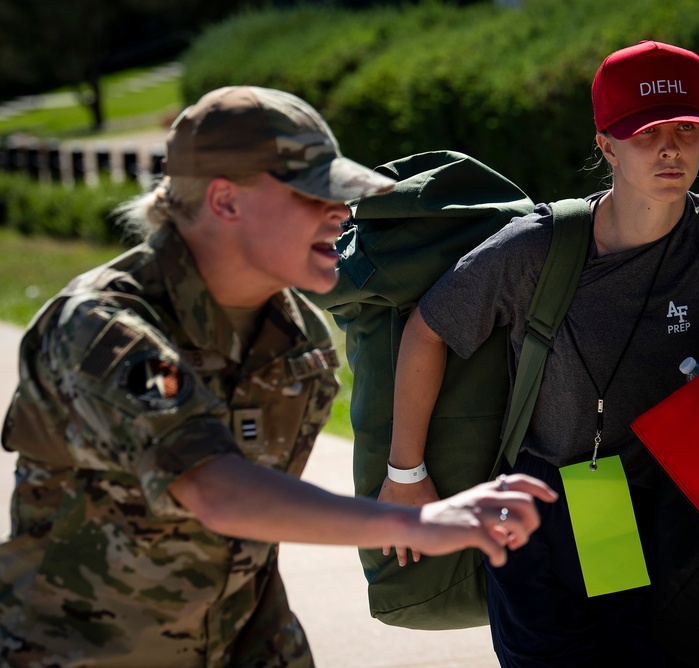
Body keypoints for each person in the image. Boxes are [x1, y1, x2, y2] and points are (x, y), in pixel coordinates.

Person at [0, 85, 557, 667]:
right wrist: (415, 523)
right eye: (312, 196)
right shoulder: (106, 328)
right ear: (225, 201)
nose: (340, 213)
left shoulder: (298, 344)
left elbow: (247, 549)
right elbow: (215, 491)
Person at [378, 41, 699, 666]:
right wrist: (405, 475)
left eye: (687, 130)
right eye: (647, 132)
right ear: (607, 144)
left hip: (675, 517)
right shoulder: (539, 247)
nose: (671, 148)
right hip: (543, 511)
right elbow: (427, 329)